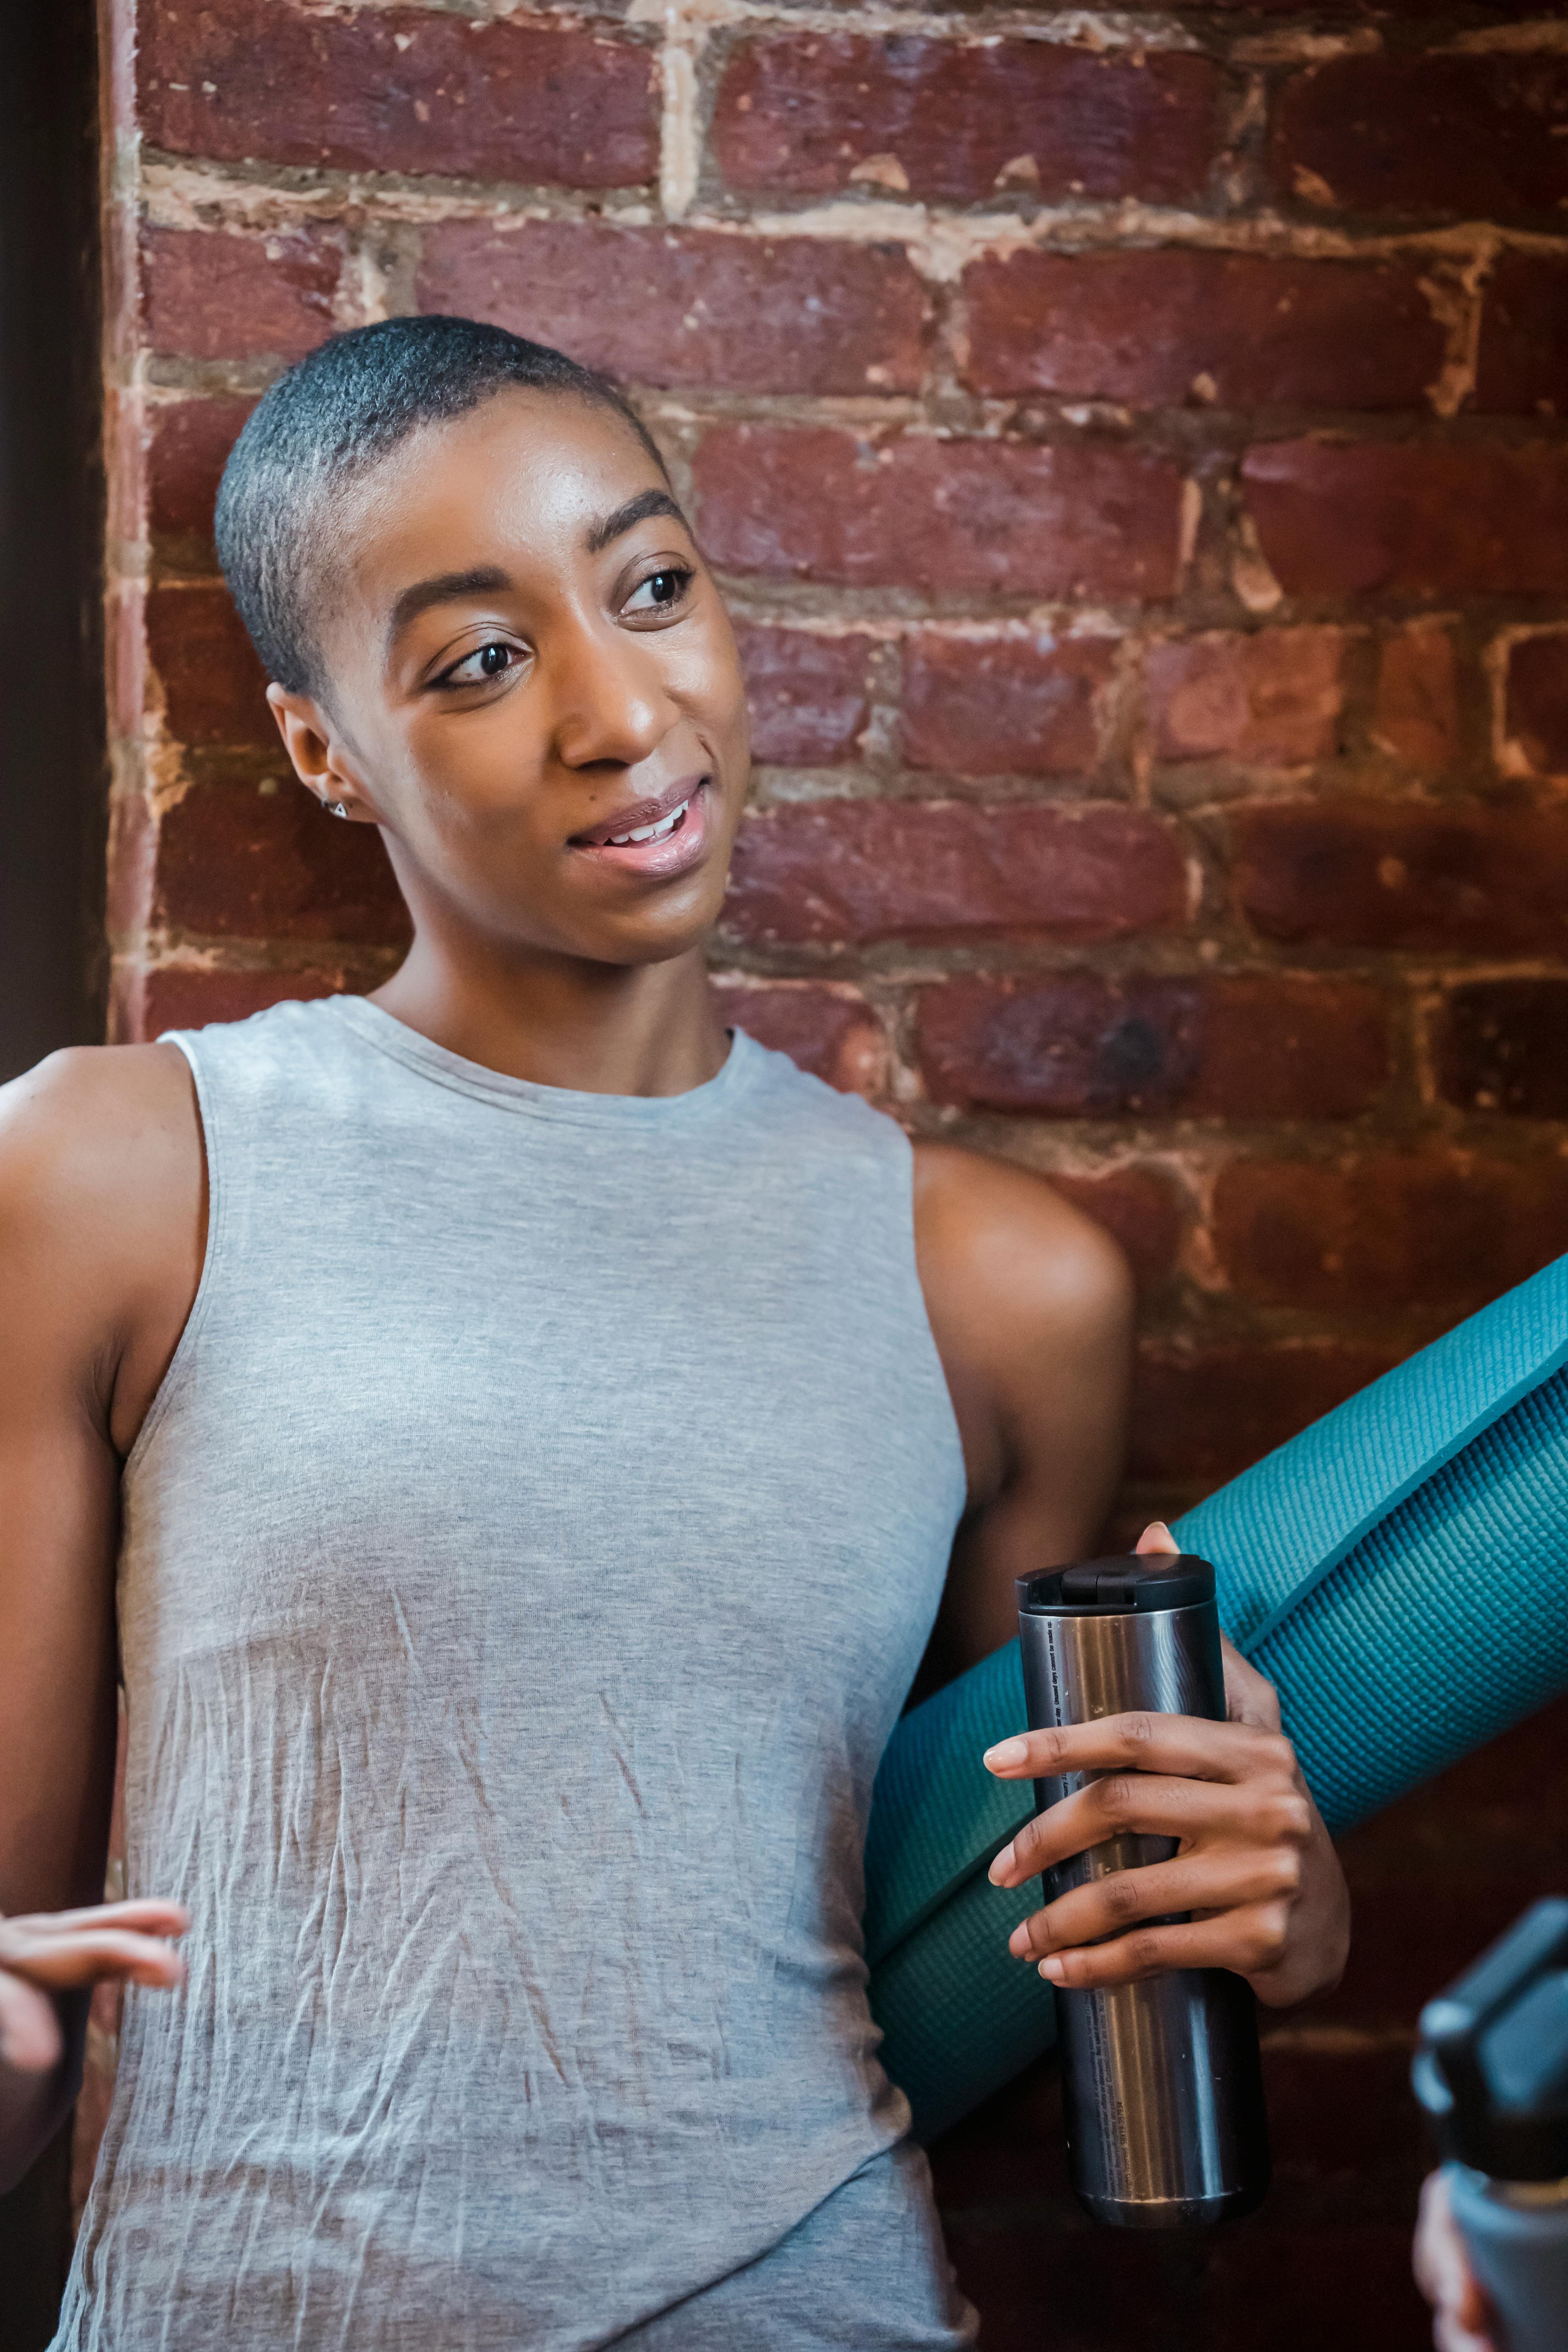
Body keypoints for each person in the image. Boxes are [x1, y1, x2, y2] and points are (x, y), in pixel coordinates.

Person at [0, 317, 1350, 2348]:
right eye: (478, 659)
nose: (624, 714)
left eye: (651, 590)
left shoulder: (1000, 1285)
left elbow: (1021, 1963)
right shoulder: (116, 1173)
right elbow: (14, 1987)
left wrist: (1287, 1912)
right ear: (317, 751)